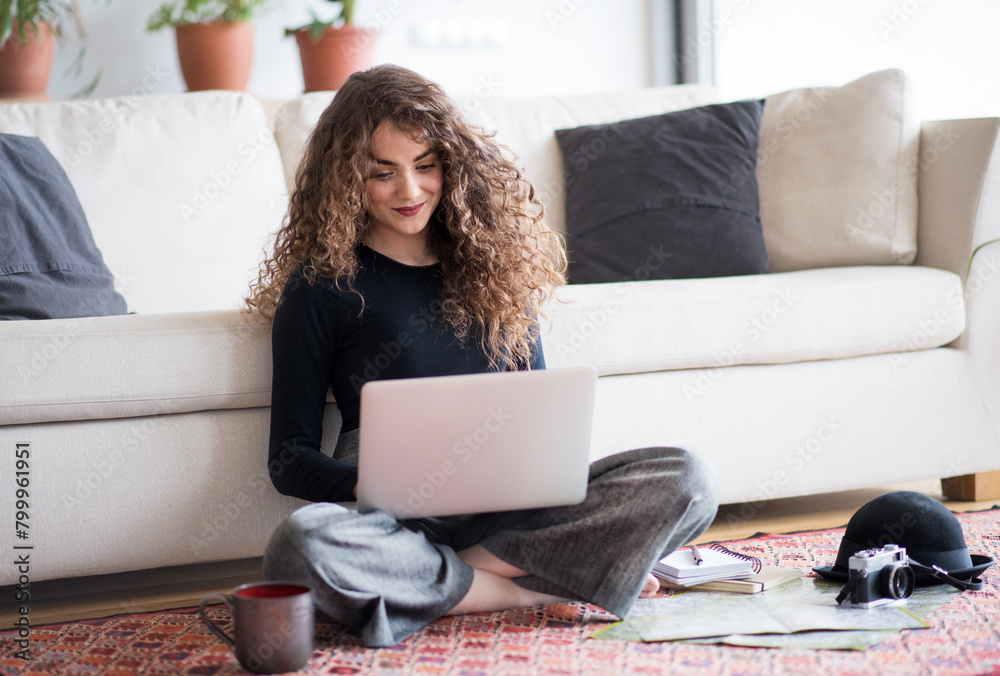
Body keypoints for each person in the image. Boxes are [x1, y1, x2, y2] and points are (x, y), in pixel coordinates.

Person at [246, 64, 719, 648]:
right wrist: (382, 483)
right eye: (383, 173)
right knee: (299, 547)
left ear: (452, 163)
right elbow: (289, 459)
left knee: (690, 478)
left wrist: (540, 475)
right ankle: (527, 589)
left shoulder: (496, 266)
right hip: (397, 523)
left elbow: (540, 416)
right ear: (345, 179)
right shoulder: (320, 287)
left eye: (425, 165)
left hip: (508, 516)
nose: (410, 191)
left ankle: (452, 578)